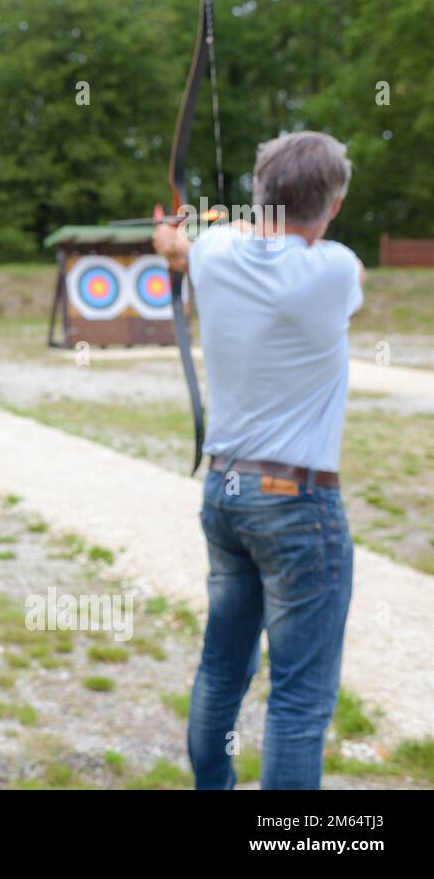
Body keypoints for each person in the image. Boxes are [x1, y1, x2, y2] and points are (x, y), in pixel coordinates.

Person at [153, 130, 365, 790]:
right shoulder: (334, 269)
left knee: (222, 667)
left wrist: (188, 238)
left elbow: (182, 246)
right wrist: (255, 220)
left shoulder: (213, 253)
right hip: (298, 505)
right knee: (299, 700)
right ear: (333, 205)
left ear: (260, 191)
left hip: (227, 495)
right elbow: (342, 266)